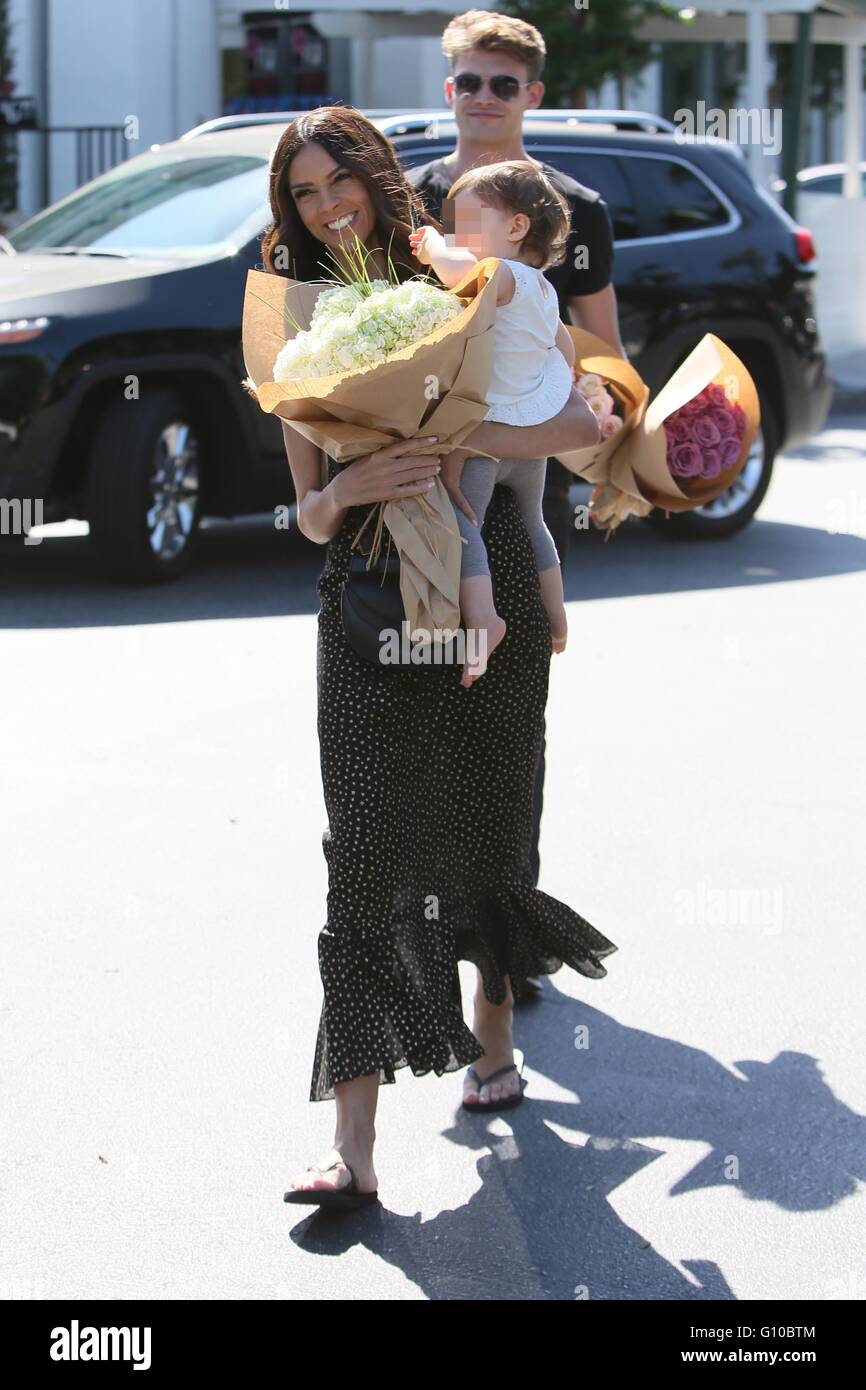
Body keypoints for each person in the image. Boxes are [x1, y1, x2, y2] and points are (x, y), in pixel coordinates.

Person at [263, 105, 616, 1208]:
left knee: (489, 815)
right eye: (304, 193)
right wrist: (344, 489)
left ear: (372, 178)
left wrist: (481, 436)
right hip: (364, 593)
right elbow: (304, 517)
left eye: (338, 182)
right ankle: (353, 1142)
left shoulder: (460, 284)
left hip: (488, 573)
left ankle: (493, 1035)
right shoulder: (295, 322)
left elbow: (562, 419)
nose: (326, 205)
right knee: (362, 845)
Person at [406, 7, 626, 890]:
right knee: (422, 709)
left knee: (510, 719)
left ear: (532, 94)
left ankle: (508, 928)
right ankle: (431, 922)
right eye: (469, 81)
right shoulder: (413, 199)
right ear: (447, 87)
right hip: (421, 480)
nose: (484, 98)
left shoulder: (576, 211)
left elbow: (601, 348)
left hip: (521, 464)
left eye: (505, 84)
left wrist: (604, 419)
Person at [409, 161, 576, 684]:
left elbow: (458, 270)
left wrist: (433, 246)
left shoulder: (504, 275)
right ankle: (556, 616)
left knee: (462, 520)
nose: (458, 235)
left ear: (517, 228)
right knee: (534, 522)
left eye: (467, 222)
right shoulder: (545, 292)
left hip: (484, 430)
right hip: (530, 433)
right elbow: (564, 352)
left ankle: (483, 620)